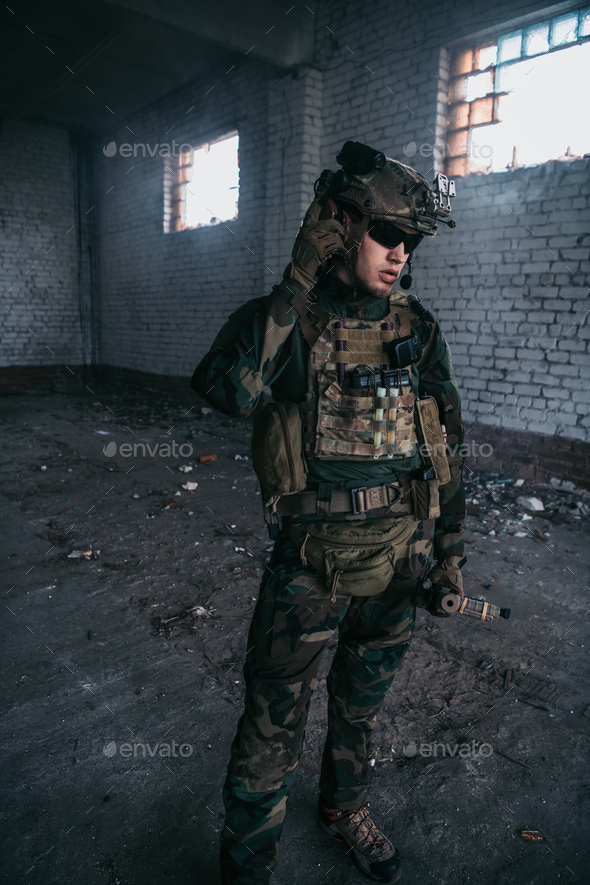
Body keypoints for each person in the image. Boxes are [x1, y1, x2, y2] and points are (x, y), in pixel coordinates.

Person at [192, 142, 465, 885]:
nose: (401, 253)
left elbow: (445, 438)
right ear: (340, 229)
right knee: (271, 727)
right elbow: (226, 389)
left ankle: (344, 806)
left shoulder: (419, 325)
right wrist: (296, 280)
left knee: (359, 705)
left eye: (410, 240)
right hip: (311, 566)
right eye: (387, 234)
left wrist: (451, 546)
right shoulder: (290, 322)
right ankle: (247, 866)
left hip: (401, 561)